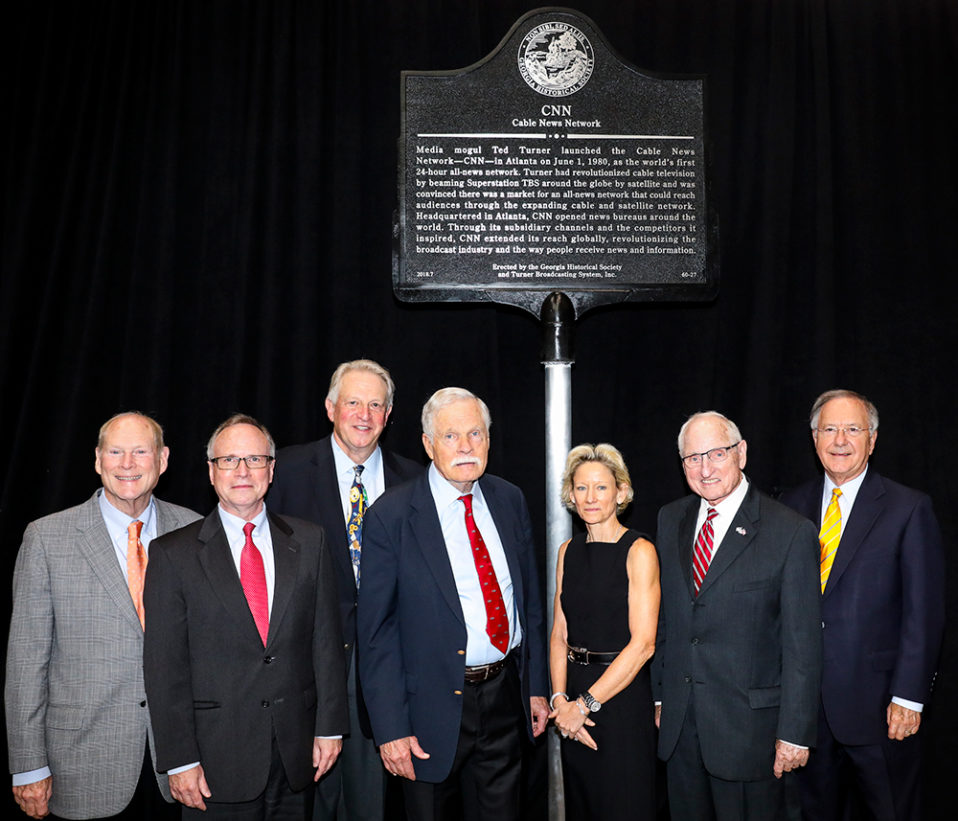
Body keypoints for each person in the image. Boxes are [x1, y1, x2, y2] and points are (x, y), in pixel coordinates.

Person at [356, 387, 550, 821]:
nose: (465, 446)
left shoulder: (509, 499)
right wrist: (391, 729)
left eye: (475, 434)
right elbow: (376, 634)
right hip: (428, 713)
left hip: (504, 700)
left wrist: (536, 686)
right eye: (450, 437)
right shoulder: (391, 516)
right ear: (427, 444)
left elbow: (530, 604)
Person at [143, 414, 347, 819]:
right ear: (211, 471)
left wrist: (329, 726)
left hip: (296, 754)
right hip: (215, 764)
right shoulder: (172, 554)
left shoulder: (309, 541)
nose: (242, 471)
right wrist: (180, 760)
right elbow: (165, 668)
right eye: (229, 460)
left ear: (271, 470)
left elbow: (325, 641)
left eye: (254, 459)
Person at [5, 412, 201, 820]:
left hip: (178, 768)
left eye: (140, 452)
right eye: (115, 452)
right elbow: (26, 662)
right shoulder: (46, 538)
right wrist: (28, 765)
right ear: (97, 460)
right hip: (82, 766)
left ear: (163, 460)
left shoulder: (195, 530)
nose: (127, 464)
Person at [780, 389, 945, 820]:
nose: (840, 440)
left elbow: (923, 612)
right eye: (829, 429)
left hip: (879, 711)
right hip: (805, 714)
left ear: (872, 439)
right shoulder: (788, 508)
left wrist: (908, 697)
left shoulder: (908, 508)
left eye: (853, 429)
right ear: (814, 439)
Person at [269, 359, 423, 821]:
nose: (364, 414)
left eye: (376, 404)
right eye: (353, 402)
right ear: (330, 408)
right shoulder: (285, 470)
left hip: (386, 666)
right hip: (303, 667)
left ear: (390, 413)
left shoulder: (416, 480)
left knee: (371, 804)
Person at [653, 411, 822, 820]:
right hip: (680, 728)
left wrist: (795, 734)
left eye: (716, 454)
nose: (705, 468)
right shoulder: (669, 518)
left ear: (741, 453)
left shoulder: (790, 532)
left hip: (750, 736)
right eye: (693, 458)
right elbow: (668, 620)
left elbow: (802, 644)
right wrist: (661, 694)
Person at [548, 443, 659, 820]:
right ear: (570, 494)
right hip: (573, 701)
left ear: (621, 492)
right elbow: (559, 633)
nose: (590, 497)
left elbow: (643, 645)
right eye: (581, 488)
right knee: (584, 807)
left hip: (621, 702)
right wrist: (560, 702)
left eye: (601, 487)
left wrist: (584, 705)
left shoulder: (639, 550)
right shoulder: (567, 551)